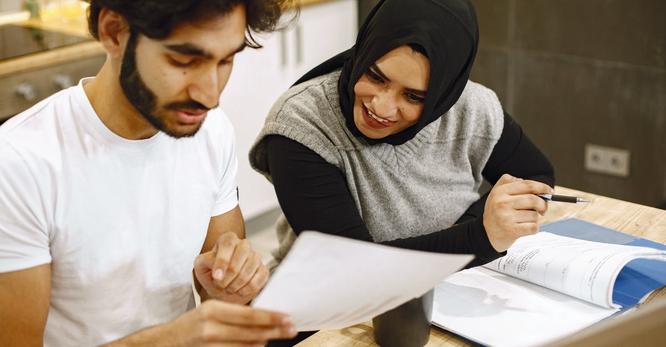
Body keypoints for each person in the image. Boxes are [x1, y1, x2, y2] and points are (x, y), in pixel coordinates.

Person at [0, 1, 299, 346]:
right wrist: (169, 339)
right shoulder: (19, 163)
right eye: (184, 61)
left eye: (226, 60)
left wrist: (229, 287)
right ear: (113, 32)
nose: (210, 94)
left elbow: (222, 295)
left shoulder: (211, 130)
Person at [250, 0, 555, 272]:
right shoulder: (303, 123)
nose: (381, 107)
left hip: (449, 290)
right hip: (325, 308)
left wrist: (479, 227)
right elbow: (350, 266)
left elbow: (536, 174)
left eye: (413, 97)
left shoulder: (471, 108)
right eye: (375, 75)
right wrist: (479, 235)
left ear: (443, 94)